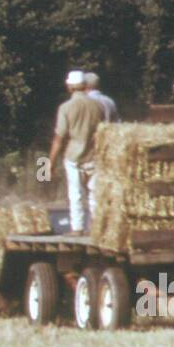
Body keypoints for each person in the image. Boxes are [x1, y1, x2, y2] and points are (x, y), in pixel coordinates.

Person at [49, 70, 103, 235]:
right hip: (94, 155)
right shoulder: (97, 106)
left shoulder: (65, 108)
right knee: (94, 194)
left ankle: (77, 228)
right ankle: (96, 228)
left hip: (73, 156)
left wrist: (49, 164)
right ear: (84, 86)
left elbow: (59, 138)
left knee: (76, 194)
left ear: (69, 87)